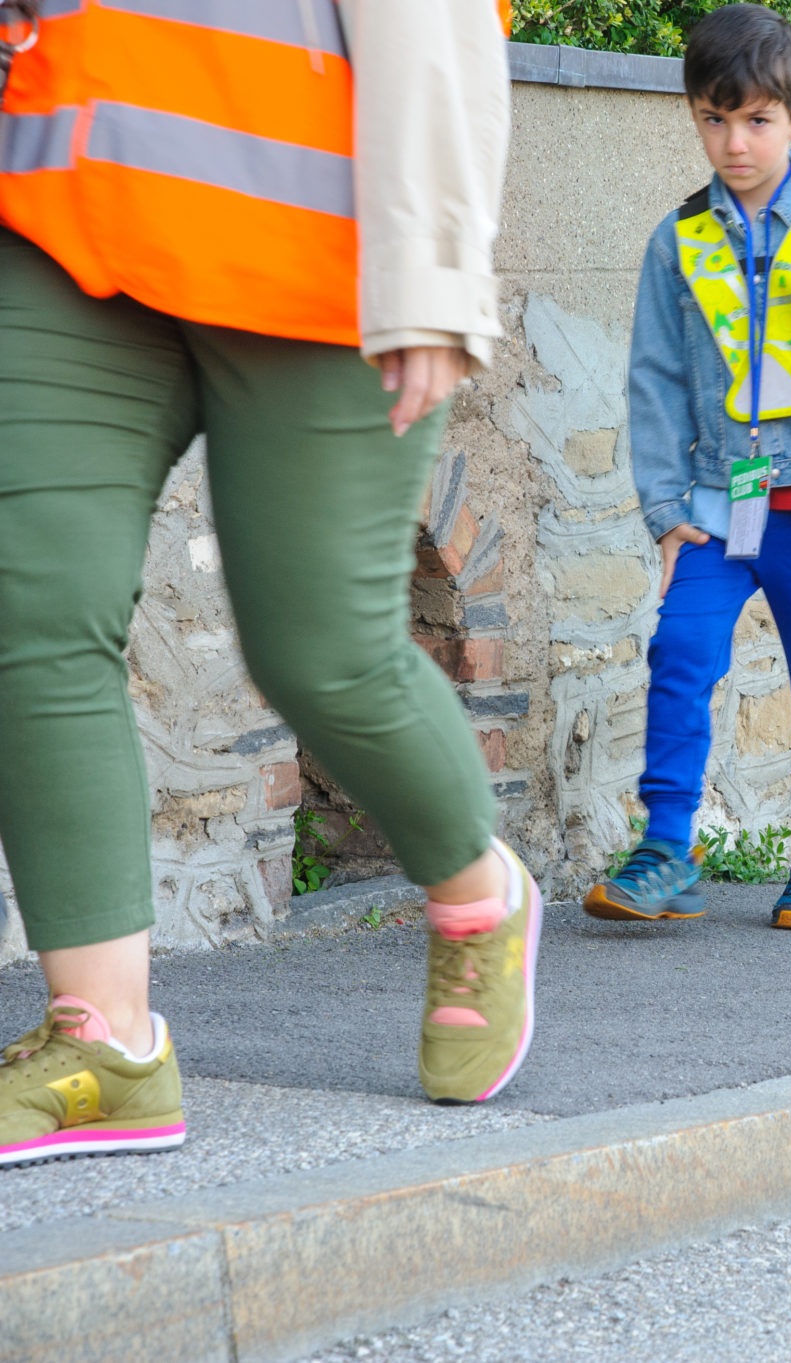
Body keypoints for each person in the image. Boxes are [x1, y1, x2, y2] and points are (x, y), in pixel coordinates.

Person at [0, 1, 527, 1168]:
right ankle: (107, 1045)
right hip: (64, 211)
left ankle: (475, 884)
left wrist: (436, 265)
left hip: (312, 246)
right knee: (23, 607)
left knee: (320, 652)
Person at [584, 5, 791, 932]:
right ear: (694, 115)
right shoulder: (676, 241)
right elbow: (653, 381)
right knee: (681, 653)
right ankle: (666, 846)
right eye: (713, 118)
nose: (735, 143)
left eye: (758, 120)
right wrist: (664, 509)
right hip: (714, 508)